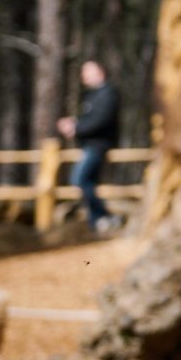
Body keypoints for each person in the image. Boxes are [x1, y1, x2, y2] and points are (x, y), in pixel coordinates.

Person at [58, 59, 121, 232]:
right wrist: (75, 124)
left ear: (99, 72)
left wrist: (76, 128)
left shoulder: (107, 94)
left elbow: (100, 120)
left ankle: (105, 216)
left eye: (87, 71)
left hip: (97, 145)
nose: (83, 75)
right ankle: (97, 221)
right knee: (88, 182)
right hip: (90, 145)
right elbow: (91, 119)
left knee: (79, 179)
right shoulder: (93, 96)